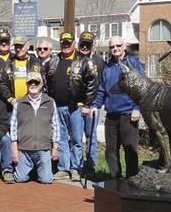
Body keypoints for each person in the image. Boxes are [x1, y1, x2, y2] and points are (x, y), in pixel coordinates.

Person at [44, 31, 98, 182]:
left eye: (69, 43)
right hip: (57, 107)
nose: (66, 45)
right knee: (61, 139)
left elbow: (93, 83)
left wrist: (87, 104)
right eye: (63, 43)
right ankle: (63, 168)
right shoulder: (53, 61)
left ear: (74, 43)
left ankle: (76, 169)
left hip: (76, 107)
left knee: (76, 139)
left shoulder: (84, 61)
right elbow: (46, 83)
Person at [93, 36, 145, 179]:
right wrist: (95, 105)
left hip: (128, 114)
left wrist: (137, 108)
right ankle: (115, 179)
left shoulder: (133, 63)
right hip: (111, 116)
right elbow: (102, 89)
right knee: (110, 151)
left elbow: (141, 87)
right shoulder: (108, 67)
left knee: (130, 150)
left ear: (124, 46)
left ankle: (131, 179)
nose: (115, 48)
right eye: (112, 46)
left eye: (118, 45)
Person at [9, 71, 59, 184]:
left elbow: (55, 126)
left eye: (36, 82)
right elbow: (13, 126)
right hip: (24, 149)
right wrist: (14, 149)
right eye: (30, 82)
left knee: (46, 180)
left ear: (41, 84)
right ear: (26, 85)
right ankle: (31, 170)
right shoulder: (19, 103)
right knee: (20, 179)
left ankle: (38, 170)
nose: (33, 85)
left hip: (44, 148)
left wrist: (55, 148)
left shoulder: (50, 102)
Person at [78, 31, 104, 176]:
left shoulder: (99, 61)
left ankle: (91, 166)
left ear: (92, 46)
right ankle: (77, 167)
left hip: (92, 106)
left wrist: (95, 105)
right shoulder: (75, 59)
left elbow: (102, 85)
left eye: (88, 45)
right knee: (76, 137)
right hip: (77, 105)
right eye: (82, 44)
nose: (85, 47)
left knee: (90, 136)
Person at [0, 35, 41, 108]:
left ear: (28, 46)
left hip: (32, 104)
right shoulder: (8, 63)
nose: (18, 49)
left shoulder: (36, 63)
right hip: (12, 106)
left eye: (21, 46)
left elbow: (42, 84)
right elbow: (2, 84)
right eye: (16, 46)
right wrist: (11, 99)